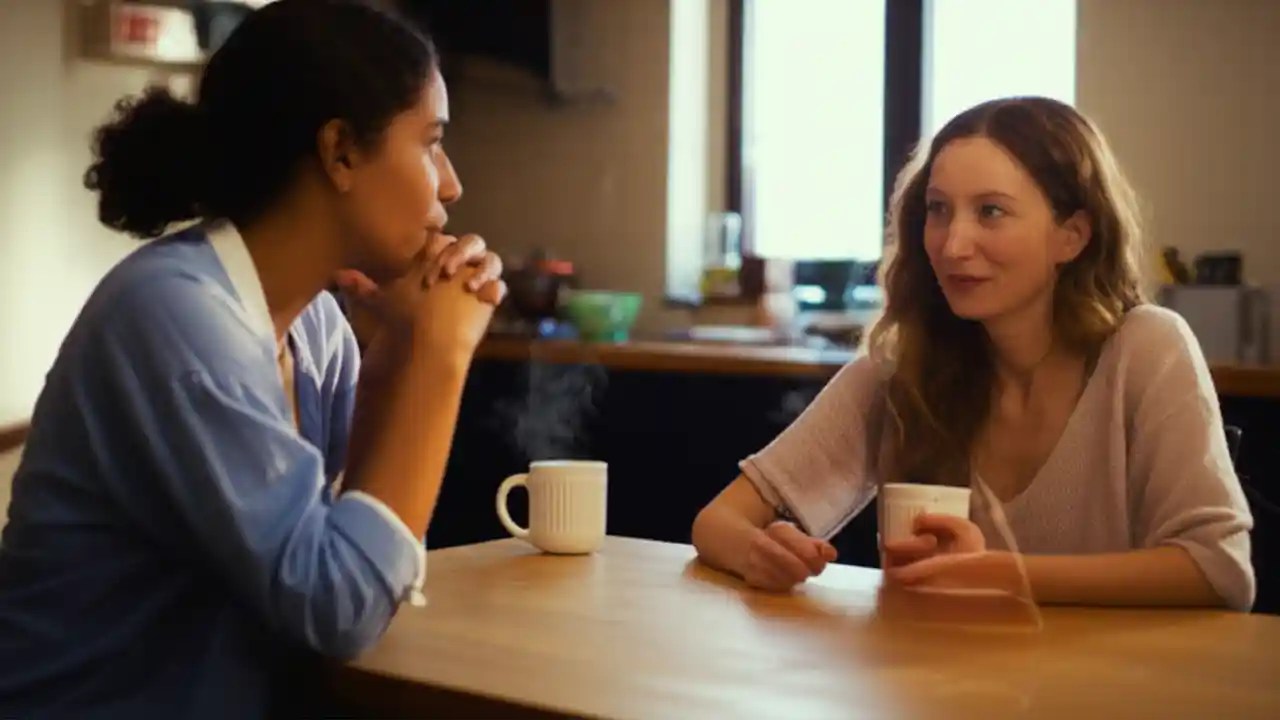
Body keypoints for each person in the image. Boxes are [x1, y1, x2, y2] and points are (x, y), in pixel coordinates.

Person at [0, 1, 504, 716]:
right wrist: (441, 353)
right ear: (340, 153)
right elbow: (341, 608)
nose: (450, 183)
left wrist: (398, 352)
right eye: (430, 142)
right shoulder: (174, 316)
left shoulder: (319, 329)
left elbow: (349, 583)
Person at [691, 96, 1255, 612]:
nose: (953, 245)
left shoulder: (1147, 346)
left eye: (991, 211)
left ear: (1072, 236)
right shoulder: (901, 371)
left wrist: (1003, 575)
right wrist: (758, 553)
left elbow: (1217, 570)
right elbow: (718, 523)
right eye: (938, 210)